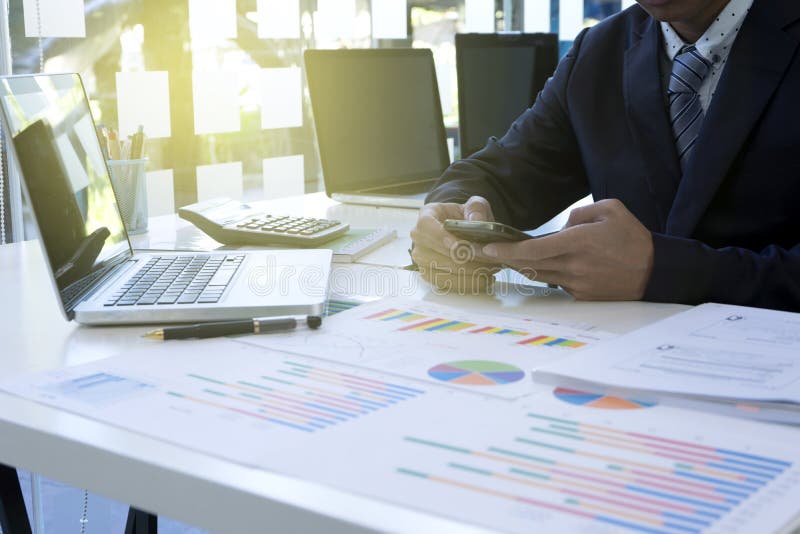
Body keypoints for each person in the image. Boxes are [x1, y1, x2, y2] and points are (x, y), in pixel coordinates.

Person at [410, 0, 800, 311]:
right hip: (620, 357)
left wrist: (664, 271)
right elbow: (499, 173)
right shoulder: (598, 51)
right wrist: (449, 217)